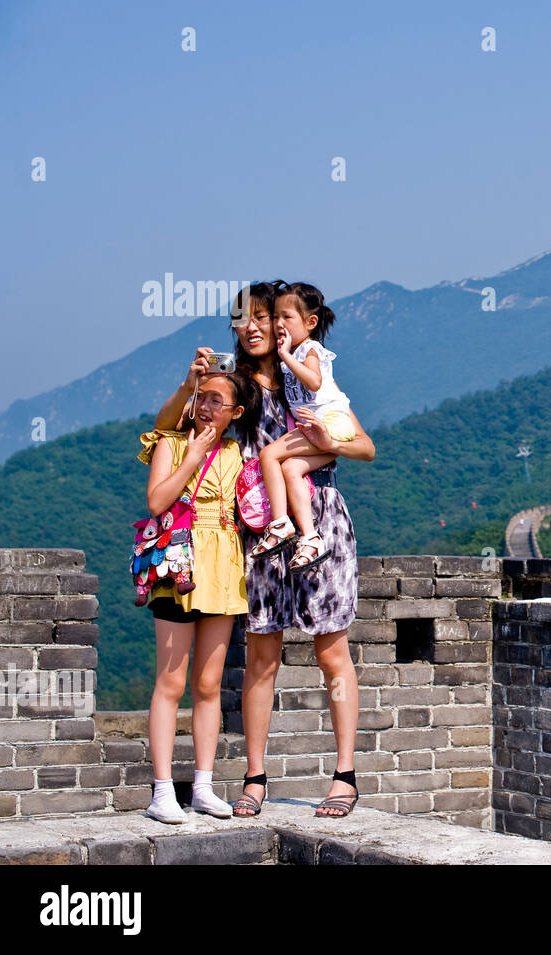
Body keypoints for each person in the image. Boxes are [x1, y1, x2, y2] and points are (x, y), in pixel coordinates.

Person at [151, 280, 374, 819]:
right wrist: (191, 385)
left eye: (261, 317)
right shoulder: (231, 387)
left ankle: (344, 776)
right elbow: (164, 431)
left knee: (331, 652)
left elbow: (365, 447)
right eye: (241, 319)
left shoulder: (311, 382)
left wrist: (327, 442)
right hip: (259, 530)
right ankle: (255, 778)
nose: (251, 327)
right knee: (260, 656)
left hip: (321, 518)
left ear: (283, 323)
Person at [139, 370, 252, 824]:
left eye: (217, 401)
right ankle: (163, 790)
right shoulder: (170, 443)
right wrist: (193, 456)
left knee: (208, 687)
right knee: (171, 682)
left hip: (224, 567)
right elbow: (156, 502)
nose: (206, 407)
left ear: (235, 413)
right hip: (179, 566)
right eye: (202, 397)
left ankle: (204, 785)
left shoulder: (237, 451)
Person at [249, 282, 357, 572]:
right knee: (291, 468)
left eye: (287, 317)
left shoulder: (309, 349)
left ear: (310, 323)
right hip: (327, 430)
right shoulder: (294, 354)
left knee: (269, 455)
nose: (279, 324)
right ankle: (310, 538)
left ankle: (280, 523)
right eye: (276, 317)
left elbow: (314, 381)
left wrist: (285, 355)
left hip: (329, 423)